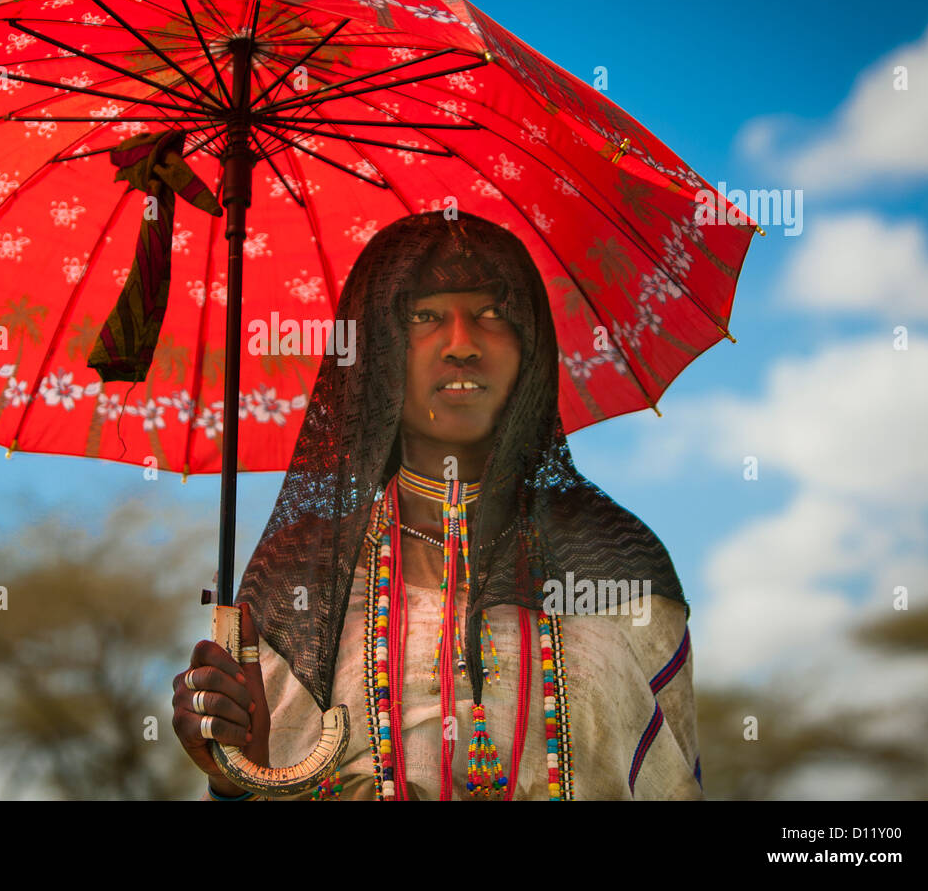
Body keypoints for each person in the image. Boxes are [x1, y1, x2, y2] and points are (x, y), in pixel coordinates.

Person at [172, 210, 702, 800]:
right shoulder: (301, 582)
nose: (462, 345)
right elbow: (262, 780)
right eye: (424, 316)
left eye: (493, 314)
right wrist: (234, 776)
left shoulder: (619, 565)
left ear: (533, 347)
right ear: (374, 354)